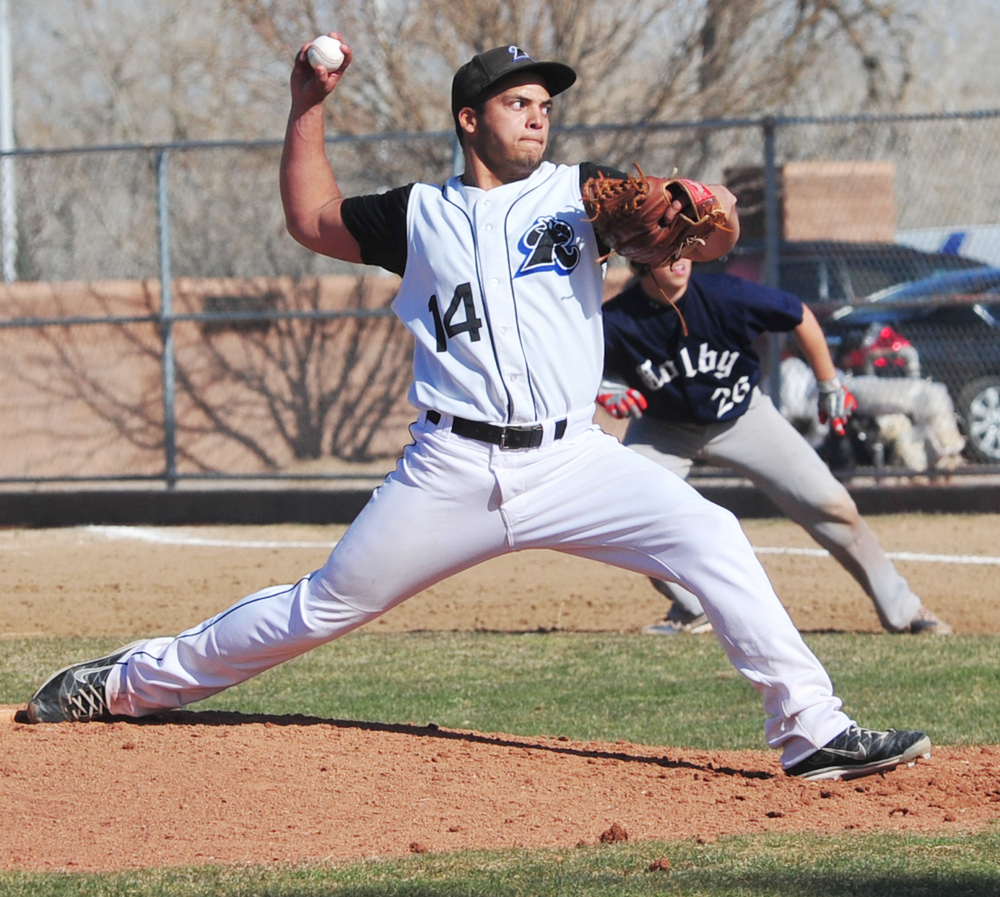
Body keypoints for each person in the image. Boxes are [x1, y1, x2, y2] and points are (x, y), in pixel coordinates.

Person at [23, 40, 931, 781]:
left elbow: (708, 227)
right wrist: (307, 105)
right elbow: (309, 218)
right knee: (321, 607)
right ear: (469, 119)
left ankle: (812, 730)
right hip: (452, 468)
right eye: (516, 101)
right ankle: (130, 682)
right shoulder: (417, 215)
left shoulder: (581, 194)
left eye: (545, 103)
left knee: (713, 537)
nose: (538, 113)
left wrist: (704, 207)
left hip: (574, 460)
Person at [599, 259, 953, 636]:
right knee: (631, 506)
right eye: (666, 251)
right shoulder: (617, 318)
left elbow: (799, 314)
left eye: (684, 246)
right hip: (663, 429)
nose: (680, 258)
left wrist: (828, 382)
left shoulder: (723, 293)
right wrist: (603, 385)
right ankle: (692, 607)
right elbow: (576, 362)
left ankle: (904, 610)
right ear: (640, 259)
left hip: (743, 416)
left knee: (833, 505)